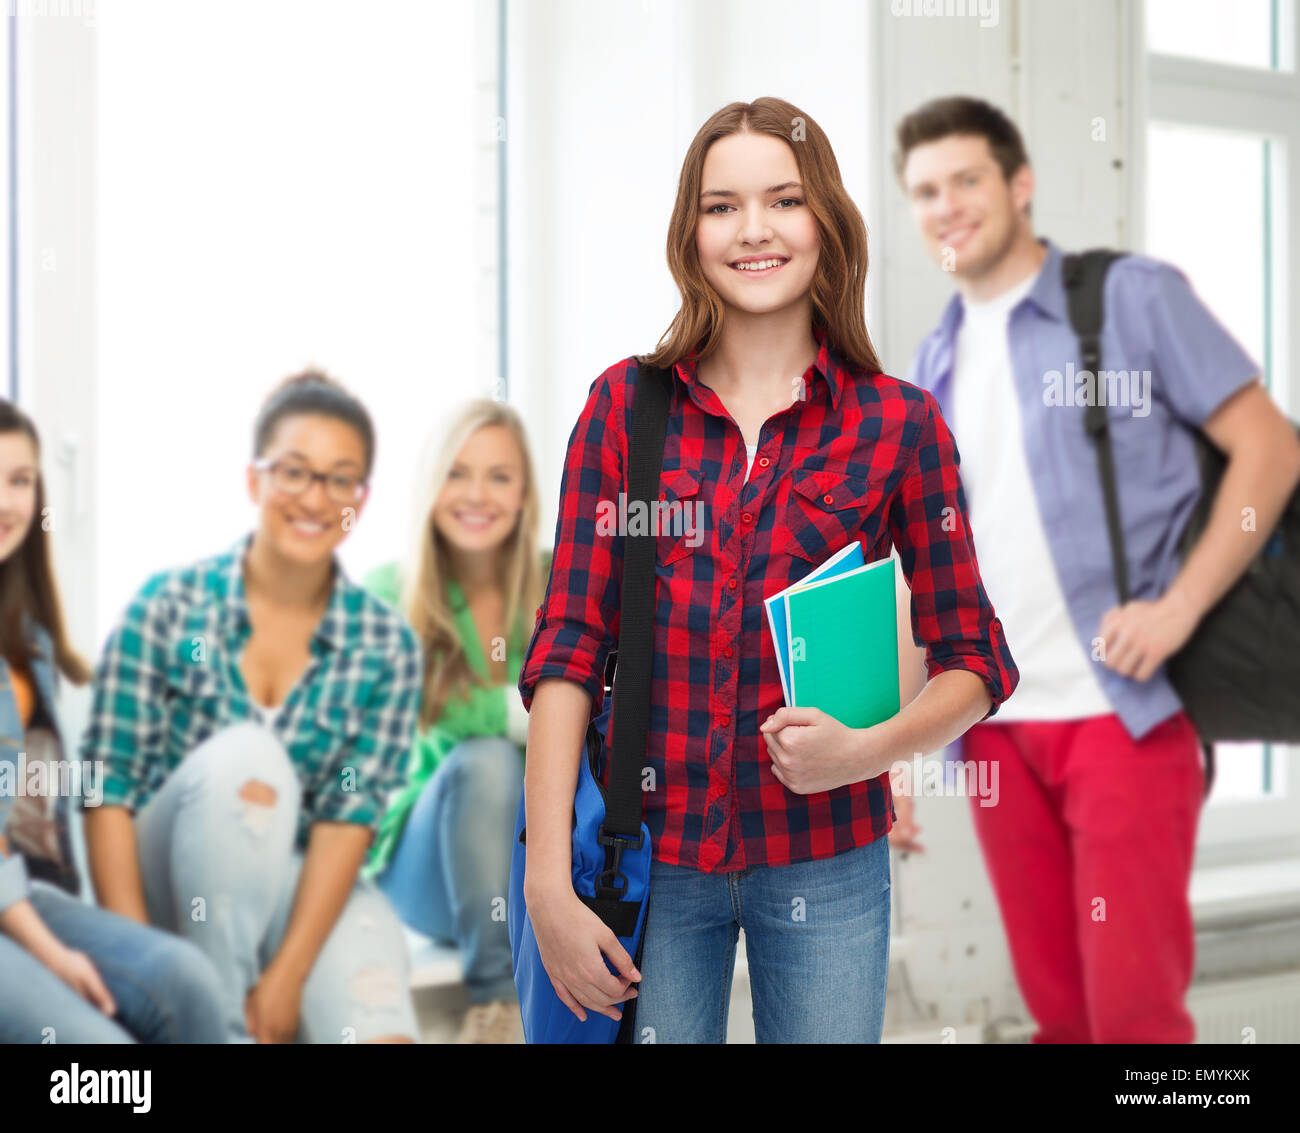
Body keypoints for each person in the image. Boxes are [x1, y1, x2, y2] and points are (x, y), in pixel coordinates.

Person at [518, 97, 1019, 1044]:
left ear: (825, 219)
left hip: (828, 859)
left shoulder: (898, 425)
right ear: (690, 232)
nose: (754, 230)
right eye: (721, 206)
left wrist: (865, 753)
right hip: (647, 860)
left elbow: (977, 658)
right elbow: (569, 649)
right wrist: (548, 879)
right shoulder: (625, 407)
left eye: (784, 200)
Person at [894, 95, 1300, 1043]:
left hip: (1121, 714)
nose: (946, 205)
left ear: (1019, 183)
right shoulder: (935, 362)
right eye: (924, 191)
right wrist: (898, 746)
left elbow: (1271, 450)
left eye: (966, 180)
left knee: (1133, 1024)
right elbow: (929, 571)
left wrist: (1178, 606)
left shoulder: (1129, 298)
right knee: (1059, 1018)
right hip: (995, 730)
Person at [79, 372, 425, 1044]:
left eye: (339, 479)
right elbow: (107, 790)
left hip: (298, 889)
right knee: (250, 760)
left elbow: (347, 819)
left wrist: (290, 973)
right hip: (165, 887)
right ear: (254, 480)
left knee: (381, 1024)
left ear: (361, 498)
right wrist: (145, 968)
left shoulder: (386, 646)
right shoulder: (169, 605)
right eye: (293, 471)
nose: (314, 498)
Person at [0, 399, 228, 1043]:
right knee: (103, 1055)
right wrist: (51, 955)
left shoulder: (29, 641)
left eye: (19, 480)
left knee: (187, 982)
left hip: (27, 898)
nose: (7, 502)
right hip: (12, 907)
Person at [363, 399, 545, 1044]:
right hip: (426, 866)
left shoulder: (555, 582)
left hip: (536, 857)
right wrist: (535, 711)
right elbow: (432, 703)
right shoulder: (389, 593)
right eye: (458, 473)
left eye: (500, 476)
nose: (478, 494)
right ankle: (497, 1003)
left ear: (524, 493)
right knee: (487, 763)